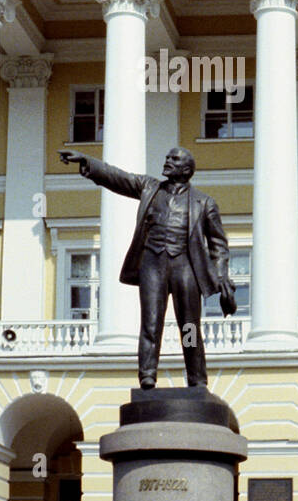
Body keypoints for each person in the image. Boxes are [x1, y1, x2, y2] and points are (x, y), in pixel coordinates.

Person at [58, 146, 236, 388]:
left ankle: (196, 378)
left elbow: (218, 244)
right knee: (150, 323)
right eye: (167, 156)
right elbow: (119, 178)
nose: (167, 161)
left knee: (189, 327)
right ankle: (148, 375)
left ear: (186, 169)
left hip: (186, 267)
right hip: (153, 264)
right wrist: (89, 163)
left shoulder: (204, 203)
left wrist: (221, 275)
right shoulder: (150, 187)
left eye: (174, 159)